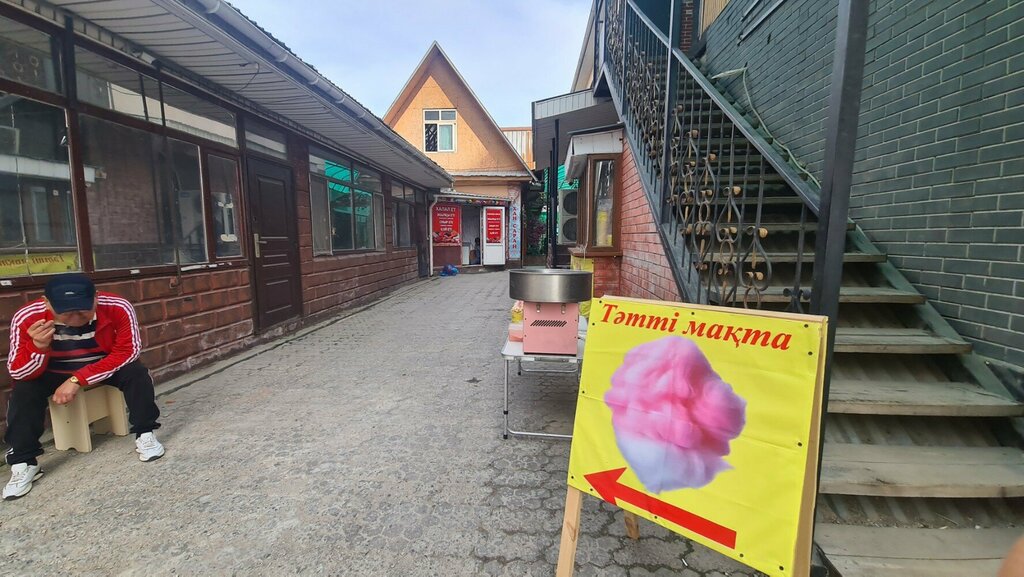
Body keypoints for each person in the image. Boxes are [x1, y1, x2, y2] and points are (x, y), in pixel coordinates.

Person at [4, 273, 164, 500]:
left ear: (96, 298)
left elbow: (128, 351)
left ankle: (145, 433)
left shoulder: (117, 306)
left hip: (101, 364)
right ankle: (23, 461)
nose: (75, 317)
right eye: (65, 311)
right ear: (47, 303)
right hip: (51, 371)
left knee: (136, 373)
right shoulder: (28, 316)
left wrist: (77, 379)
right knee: (24, 389)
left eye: (83, 309)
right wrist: (38, 346)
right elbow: (18, 371)